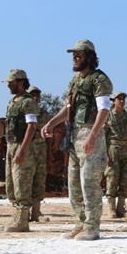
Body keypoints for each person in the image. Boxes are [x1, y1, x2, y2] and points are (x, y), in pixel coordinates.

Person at [41, 40, 113, 241]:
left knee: (89, 181)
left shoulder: (100, 80)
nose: (74, 58)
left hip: (91, 133)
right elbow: (68, 108)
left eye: (78, 55)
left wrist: (92, 136)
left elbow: (104, 110)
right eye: (73, 55)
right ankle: (80, 222)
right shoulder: (74, 81)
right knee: (74, 183)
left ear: (90, 57)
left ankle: (92, 226)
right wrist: (52, 123)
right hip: (73, 135)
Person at [0, 70, 39, 233]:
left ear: (21, 82)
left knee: (22, 182)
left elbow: (32, 126)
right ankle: (16, 217)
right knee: (11, 184)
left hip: (23, 146)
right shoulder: (12, 102)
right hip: (11, 145)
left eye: (11, 82)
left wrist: (22, 150)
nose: (8, 85)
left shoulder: (27, 102)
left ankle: (23, 221)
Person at [104, 92, 127, 218]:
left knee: (126, 179)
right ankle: (111, 208)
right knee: (112, 177)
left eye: (123, 99)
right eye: (119, 99)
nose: (122, 101)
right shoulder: (108, 116)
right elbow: (103, 137)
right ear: (114, 101)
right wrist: (106, 154)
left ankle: (121, 207)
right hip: (113, 149)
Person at [26, 86, 49, 222]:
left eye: (37, 95)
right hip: (27, 149)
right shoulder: (23, 112)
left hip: (40, 150)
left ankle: (36, 211)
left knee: (39, 180)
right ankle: (24, 213)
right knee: (25, 180)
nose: (35, 97)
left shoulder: (44, 114)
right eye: (32, 94)